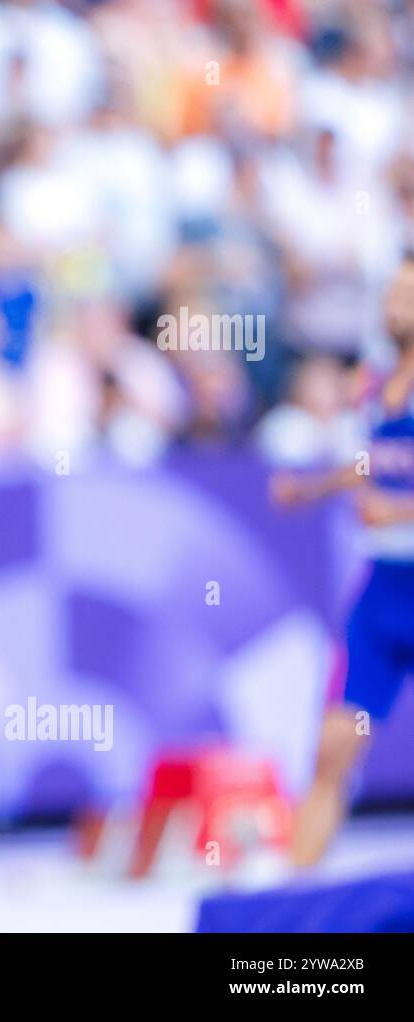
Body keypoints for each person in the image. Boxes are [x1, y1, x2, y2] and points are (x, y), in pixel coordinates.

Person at [272, 254, 414, 866]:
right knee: (333, 749)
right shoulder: (376, 381)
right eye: (391, 292)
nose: (394, 304)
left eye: (407, 293)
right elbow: (375, 462)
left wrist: (400, 512)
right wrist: (310, 490)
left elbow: (391, 493)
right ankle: (290, 907)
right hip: (383, 596)